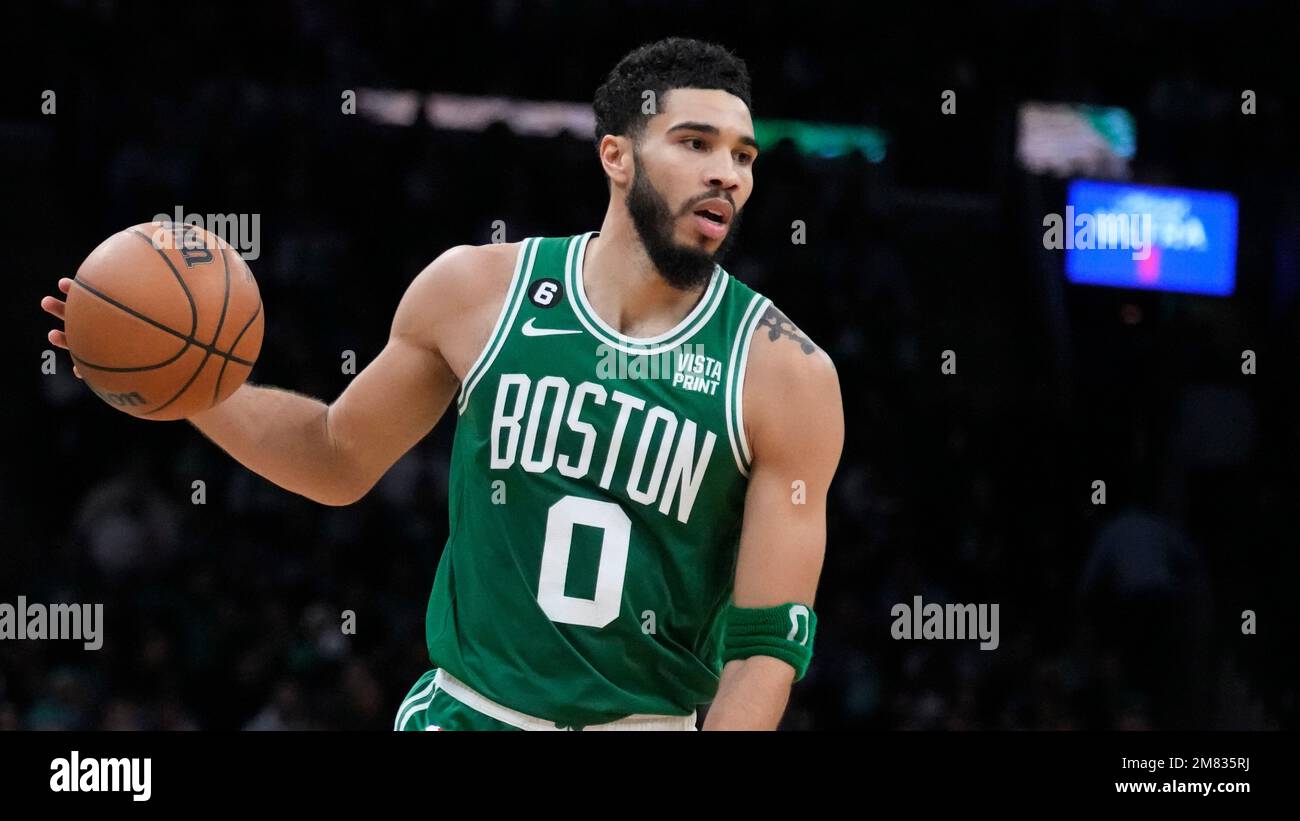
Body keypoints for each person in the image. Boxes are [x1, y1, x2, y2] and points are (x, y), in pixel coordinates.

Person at [42, 37, 844, 731]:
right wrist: (189, 386)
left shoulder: (786, 372)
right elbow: (335, 456)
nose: (726, 174)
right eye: (696, 143)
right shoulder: (475, 291)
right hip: (463, 713)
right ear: (617, 155)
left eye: (743, 156)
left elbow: (764, 648)